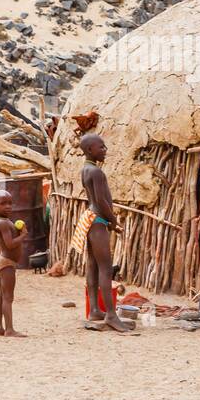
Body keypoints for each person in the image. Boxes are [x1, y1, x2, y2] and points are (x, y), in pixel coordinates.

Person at [71, 133, 129, 332]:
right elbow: (102, 202)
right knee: (105, 267)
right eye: (101, 147)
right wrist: (113, 221)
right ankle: (111, 315)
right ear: (89, 150)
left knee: (93, 266)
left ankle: (95, 310)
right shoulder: (96, 172)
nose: (105, 150)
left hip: (91, 219)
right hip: (98, 221)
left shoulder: (86, 169)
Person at [0, 190, 26, 337]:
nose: (8, 206)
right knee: (8, 297)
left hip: (3, 261)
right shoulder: (3, 223)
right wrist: (23, 235)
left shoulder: (2, 221)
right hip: (6, 263)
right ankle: (9, 329)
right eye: (3, 203)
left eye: (10, 203)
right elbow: (10, 245)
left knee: (1, 295)